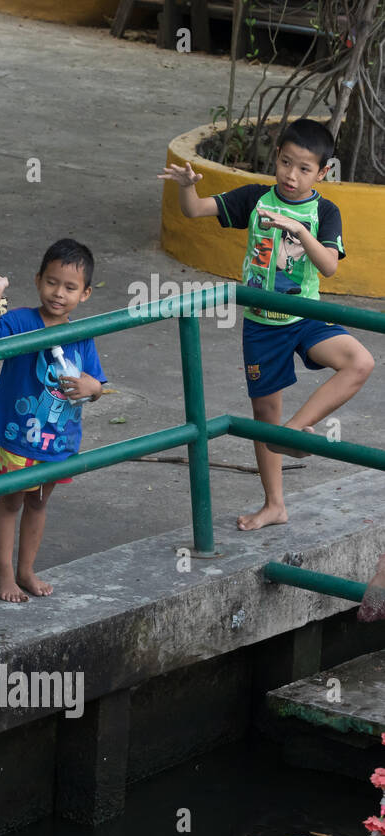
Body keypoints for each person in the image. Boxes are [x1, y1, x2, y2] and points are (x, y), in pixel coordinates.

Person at [159, 118, 374, 531]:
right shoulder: (256, 200)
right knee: (264, 412)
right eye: (286, 162)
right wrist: (187, 185)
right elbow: (195, 210)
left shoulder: (325, 212)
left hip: (307, 316)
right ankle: (275, 503)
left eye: (304, 168)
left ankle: (293, 432)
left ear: (323, 172)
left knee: (360, 362)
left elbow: (329, 266)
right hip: (262, 324)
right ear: (276, 158)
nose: (292, 175)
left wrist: (298, 229)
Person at [0, 240, 107, 603]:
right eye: (52, 282)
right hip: (18, 436)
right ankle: (4, 575)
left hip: (58, 440)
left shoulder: (82, 335)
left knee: (38, 504)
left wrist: (91, 387)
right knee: (12, 502)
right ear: (37, 281)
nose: (58, 293)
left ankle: (26, 570)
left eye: (70, 287)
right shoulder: (22, 320)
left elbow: (97, 386)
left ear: (85, 293)